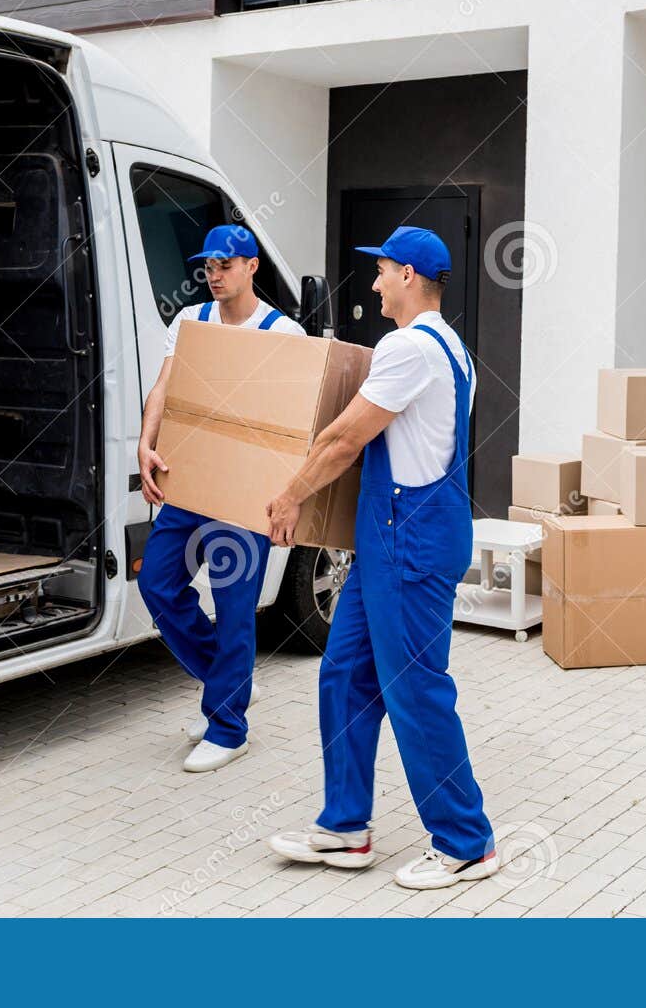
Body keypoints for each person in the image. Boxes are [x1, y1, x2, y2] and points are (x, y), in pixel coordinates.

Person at [263, 226, 498, 891]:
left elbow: (343, 439)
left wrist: (289, 498)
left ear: (409, 277)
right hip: (395, 536)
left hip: (410, 539)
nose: (373, 283)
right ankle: (346, 827)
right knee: (343, 674)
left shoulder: (407, 347)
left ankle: (465, 842)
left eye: (382, 271)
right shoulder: (452, 349)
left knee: (416, 689)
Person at [137, 224, 305, 772]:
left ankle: (229, 728)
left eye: (225, 265)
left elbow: (296, 425)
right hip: (191, 479)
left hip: (247, 492)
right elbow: (164, 388)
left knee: (235, 606)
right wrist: (146, 444)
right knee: (158, 583)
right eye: (208, 266)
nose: (213, 275)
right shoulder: (190, 321)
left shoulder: (286, 333)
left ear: (252, 266)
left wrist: (290, 497)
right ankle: (228, 680)